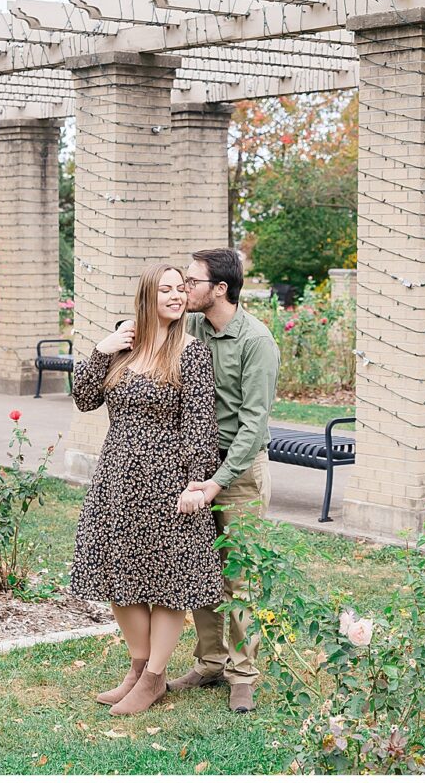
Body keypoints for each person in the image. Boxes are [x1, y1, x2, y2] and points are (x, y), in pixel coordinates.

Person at [69, 262, 225, 716]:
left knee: (168, 580)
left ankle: (155, 677)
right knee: (118, 572)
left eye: (182, 289)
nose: (177, 296)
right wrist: (102, 348)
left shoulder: (191, 353)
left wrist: (198, 483)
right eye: (167, 290)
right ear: (146, 296)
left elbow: (200, 423)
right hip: (116, 475)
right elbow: (83, 398)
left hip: (167, 478)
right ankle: (137, 669)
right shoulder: (124, 344)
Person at [167, 247, 281, 713]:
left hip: (239, 471)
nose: (185, 288)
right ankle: (210, 661)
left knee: (238, 576)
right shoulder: (190, 327)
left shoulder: (257, 341)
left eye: (192, 282)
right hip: (195, 465)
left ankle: (243, 673)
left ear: (220, 289)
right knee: (201, 570)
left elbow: (253, 424)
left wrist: (217, 481)